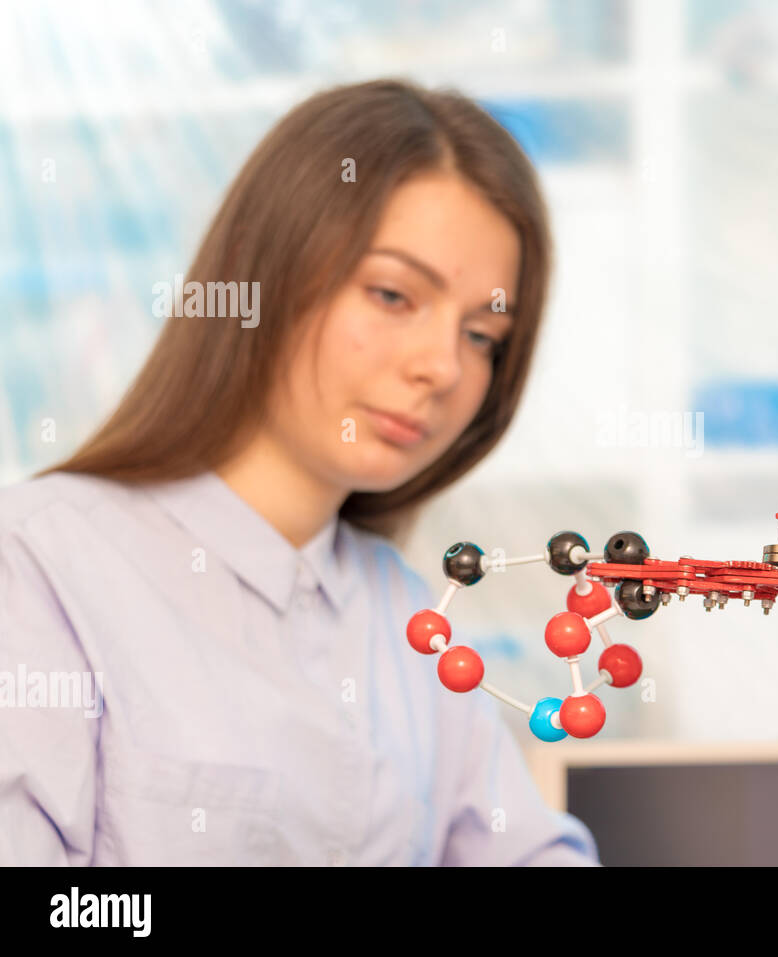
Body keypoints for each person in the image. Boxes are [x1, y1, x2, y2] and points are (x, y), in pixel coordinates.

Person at [0, 79, 598, 866]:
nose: (442, 365)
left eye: (484, 335)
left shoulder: (399, 612)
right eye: (392, 294)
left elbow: (527, 852)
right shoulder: (40, 563)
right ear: (266, 276)